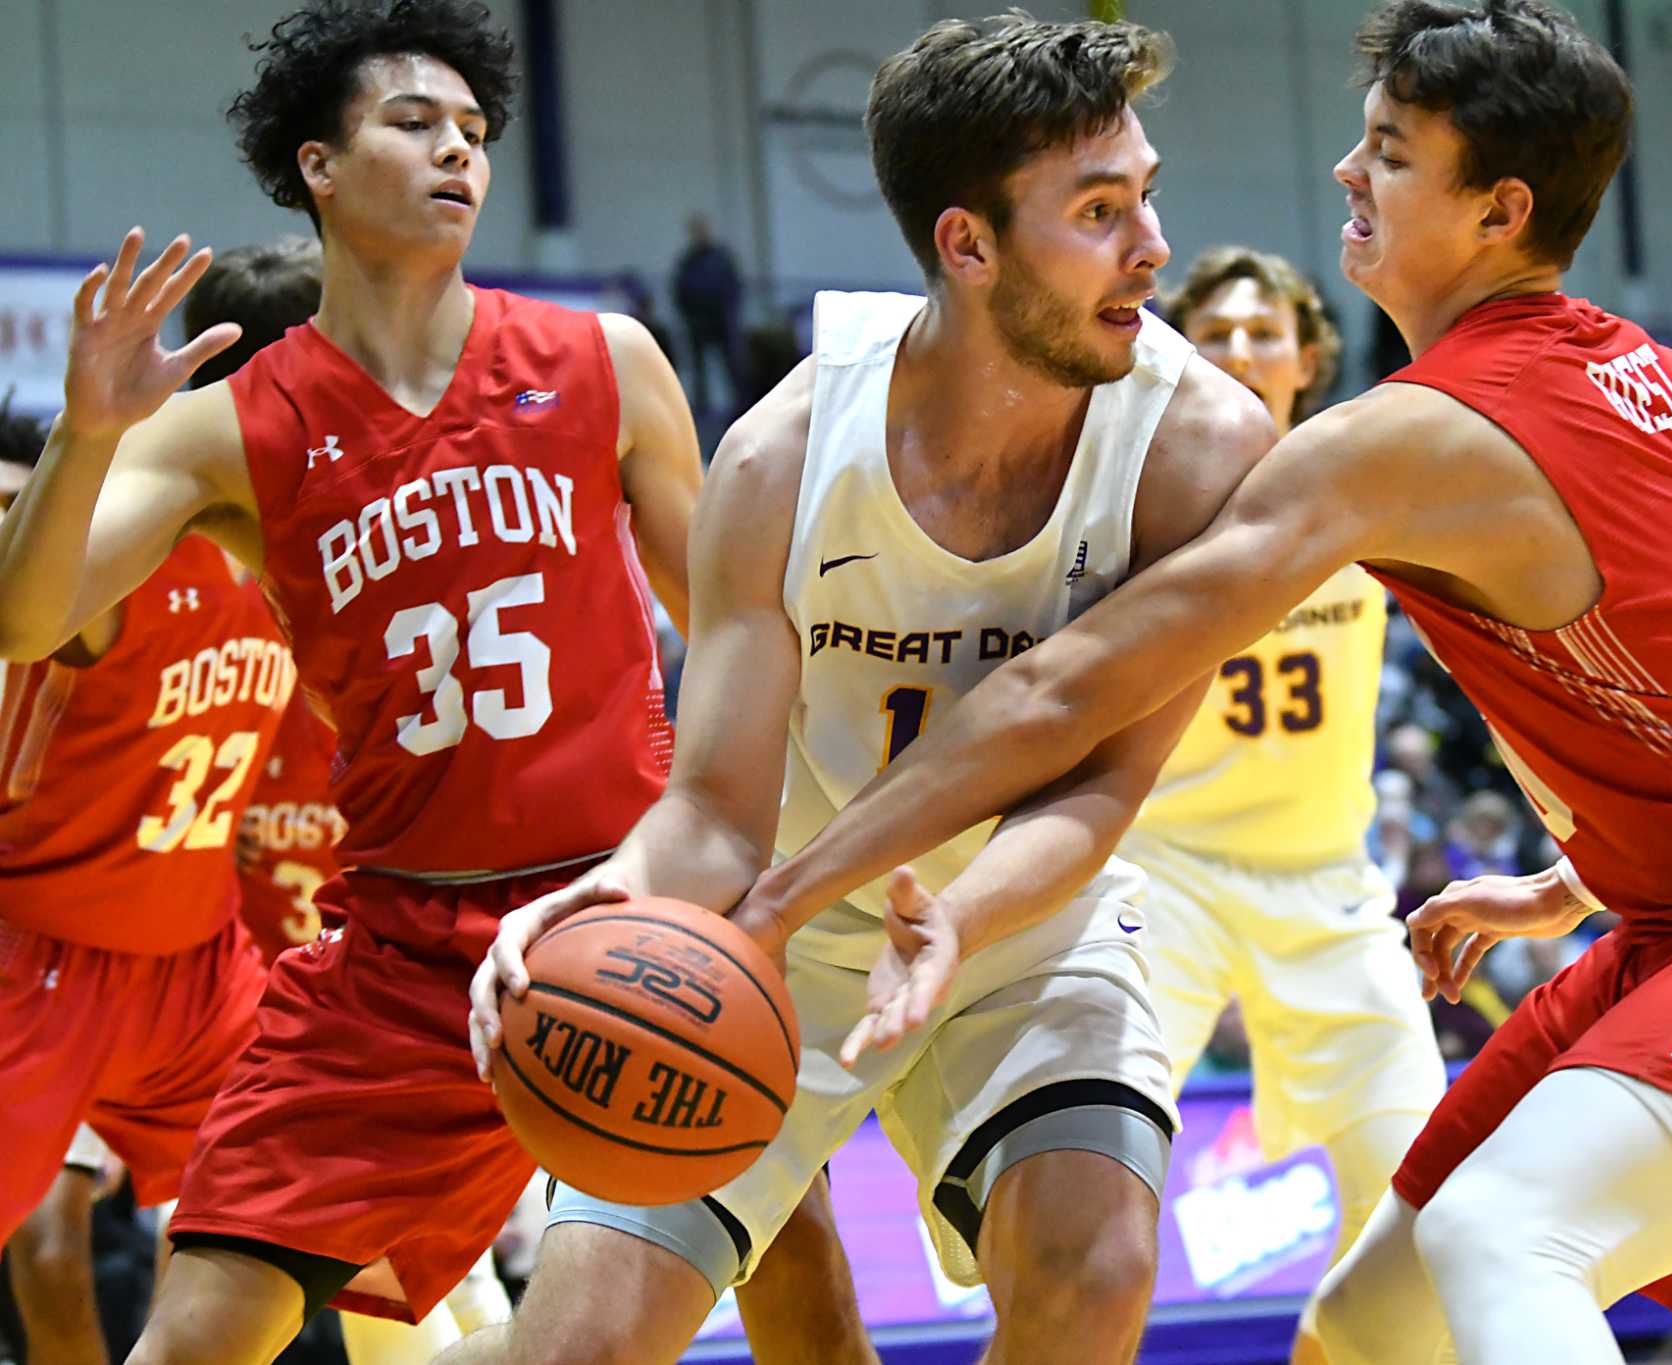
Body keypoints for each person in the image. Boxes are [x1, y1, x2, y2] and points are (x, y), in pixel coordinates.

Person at [723, 5, 1672, 1364]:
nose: (1347, 173)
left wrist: (786, 893)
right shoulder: (1643, 367)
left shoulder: (1405, 437)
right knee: (1367, 1326)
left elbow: (1068, 689)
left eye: (1393, 154)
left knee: (1502, 1241)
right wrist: (1575, 878)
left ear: (1496, 210)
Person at [461, 15, 1271, 1364]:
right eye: (1099, 209)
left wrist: (953, 914)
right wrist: (610, 889)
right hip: (781, 927)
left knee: (1097, 1265)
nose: (1152, 247)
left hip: (1027, 920)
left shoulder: (1198, 448)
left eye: (1146, 194)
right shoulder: (781, 456)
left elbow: (1105, 785)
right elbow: (715, 807)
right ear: (968, 245)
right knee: (572, 1348)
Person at [0, 2, 709, 1358]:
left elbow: (736, 638)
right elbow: (26, 618)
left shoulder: (604, 359)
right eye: (413, 122)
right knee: (195, 1335)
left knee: (707, 1296)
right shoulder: (227, 433)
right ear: (319, 166)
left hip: (620, 906)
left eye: (477, 131)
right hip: (396, 959)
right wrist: (89, 435)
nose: (460, 152)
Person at [1123, 245, 1443, 1263]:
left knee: (1411, 1207)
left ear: (1306, 359)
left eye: (1263, 334)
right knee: (1089, 1172)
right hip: (1156, 872)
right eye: (1212, 334)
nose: (1239, 351)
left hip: (1325, 882)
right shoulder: (1128, 495)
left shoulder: (1366, 485)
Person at [0, 377, 289, 1361]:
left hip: (192, 959)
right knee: (47, 1242)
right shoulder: (70, 606)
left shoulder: (254, 572)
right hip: (38, 955)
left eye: (17, 508)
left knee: (311, 1231)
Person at [669, 214, 744, 407]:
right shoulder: (687, 261)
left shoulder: (723, 258)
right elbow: (679, 292)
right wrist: (689, 316)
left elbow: (735, 287)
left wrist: (730, 313)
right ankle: (701, 412)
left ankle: (741, 407)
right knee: (698, 372)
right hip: (697, 323)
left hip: (723, 321)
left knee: (734, 369)